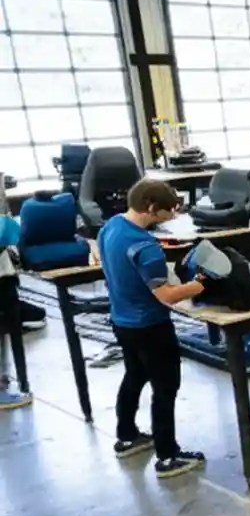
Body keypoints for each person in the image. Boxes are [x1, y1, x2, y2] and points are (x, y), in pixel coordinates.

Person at [98, 180, 206, 478]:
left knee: (134, 375)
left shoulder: (111, 227)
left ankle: (127, 435)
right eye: (168, 211)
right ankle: (168, 455)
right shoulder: (147, 247)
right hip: (151, 325)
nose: (172, 216)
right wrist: (200, 284)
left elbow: (103, 265)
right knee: (165, 387)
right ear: (150, 207)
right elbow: (168, 296)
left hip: (122, 320)